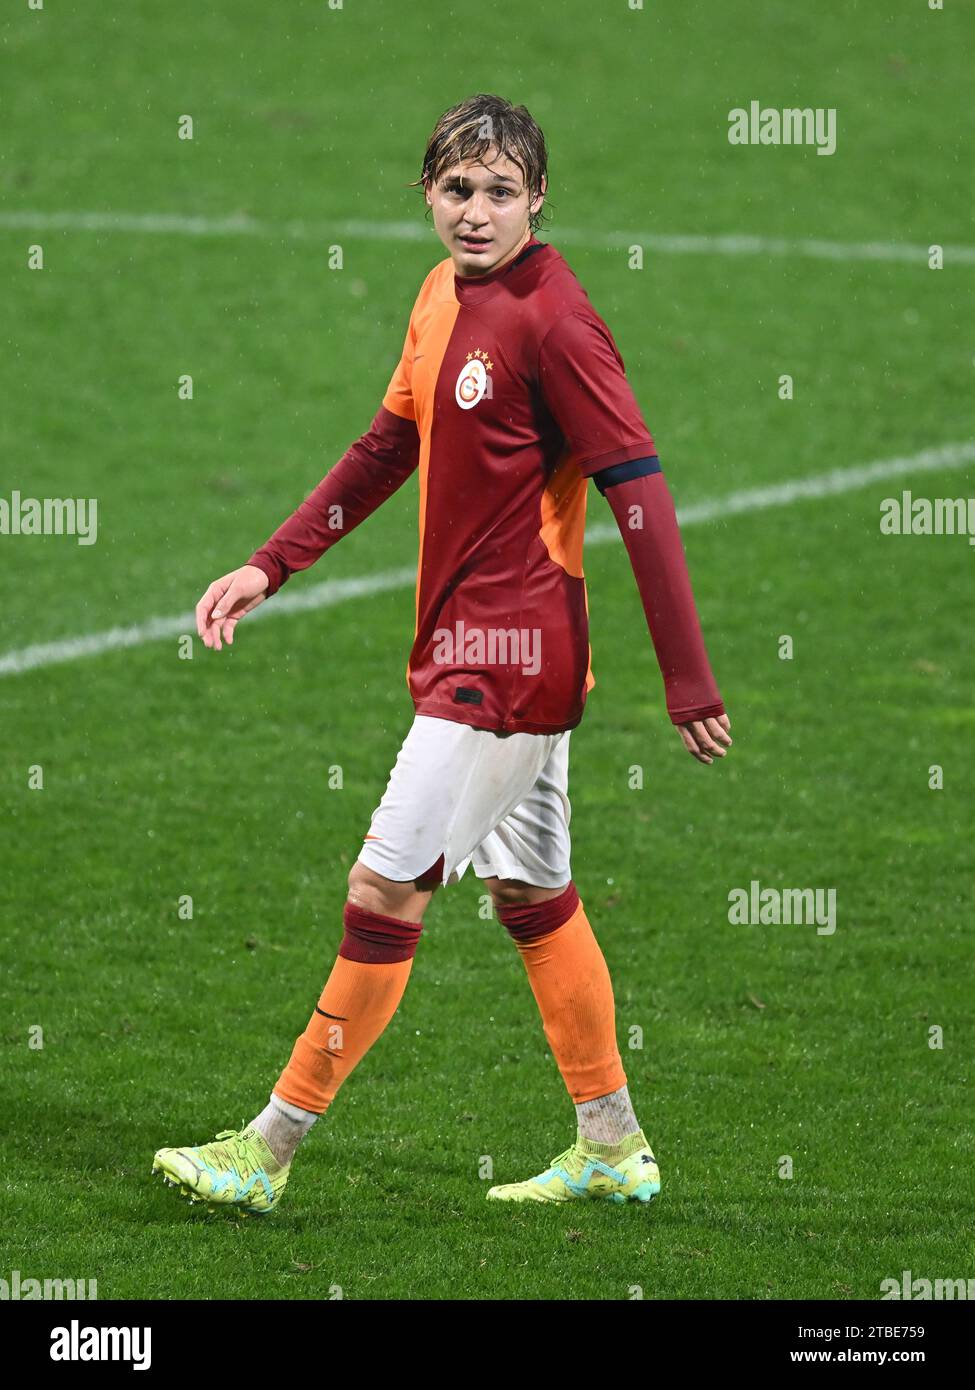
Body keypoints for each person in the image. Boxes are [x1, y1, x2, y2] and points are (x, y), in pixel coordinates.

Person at [153, 93, 731, 1214]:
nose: (476, 211)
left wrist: (688, 675)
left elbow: (641, 491)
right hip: (480, 655)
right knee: (535, 894)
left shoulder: (556, 323)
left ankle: (266, 1150)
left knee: (384, 888)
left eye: (500, 191)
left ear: (539, 198)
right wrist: (272, 564)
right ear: (427, 191)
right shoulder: (440, 295)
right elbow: (388, 444)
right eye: (457, 188)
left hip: (507, 666)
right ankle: (612, 1142)